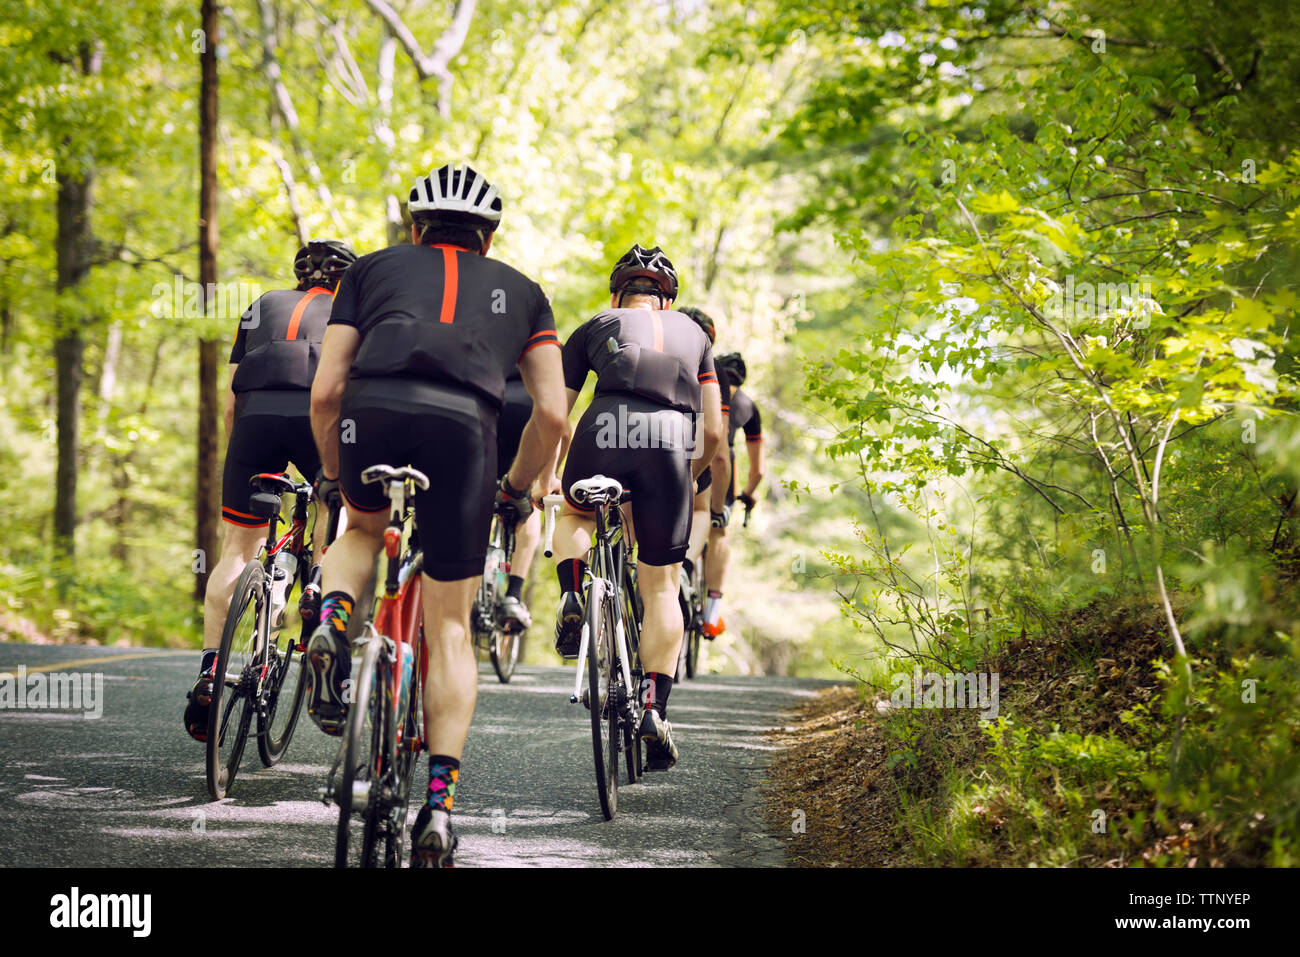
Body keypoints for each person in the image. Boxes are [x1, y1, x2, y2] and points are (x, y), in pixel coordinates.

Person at [306, 163, 565, 867]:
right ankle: (440, 807)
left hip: (374, 412)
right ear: (488, 239)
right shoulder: (526, 292)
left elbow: (328, 389)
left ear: (415, 227)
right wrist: (516, 487)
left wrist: (334, 474)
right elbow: (553, 412)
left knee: (361, 528)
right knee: (449, 625)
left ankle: (330, 622)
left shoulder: (370, 270)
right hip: (464, 431)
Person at [541, 245, 723, 771]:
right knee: (662, 584)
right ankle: (652, 708)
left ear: (618, 294)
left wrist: (549, 475)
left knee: (576, 515)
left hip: (604, 428)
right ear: (667, 300)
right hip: (670, 441)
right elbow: (712, 431)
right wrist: (685, 478)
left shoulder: (597, 323)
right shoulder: (696, 335)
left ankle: (575, 590)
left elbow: (558, 411)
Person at [184, 238, 357, 742]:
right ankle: (319, 579)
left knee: (236, 550)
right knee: (335, 501)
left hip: (254, 417)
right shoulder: (351, 313)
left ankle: (212, 673)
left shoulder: (261, 305)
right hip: (315, 412)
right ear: (343, 279)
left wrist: (240, 454)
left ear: (300, 275)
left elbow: (233, 394)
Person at [701, 351, 765, 637]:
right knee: (719, 531)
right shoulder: (748, 405)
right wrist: (747, 494)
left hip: (687, 456)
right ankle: (711, 615)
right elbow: (758, 470)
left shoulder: (703, 385)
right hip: (720, 468)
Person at [493, 368, 543, 632]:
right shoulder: (540, 334)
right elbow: (559, 425)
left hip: (485, 402)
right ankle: (513, 593)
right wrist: (548, 480)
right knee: (529, 501)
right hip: (527, 408)